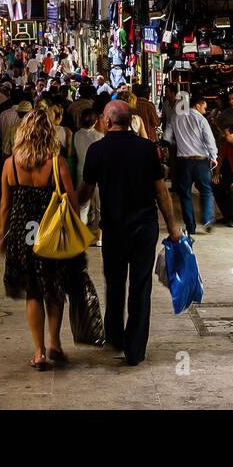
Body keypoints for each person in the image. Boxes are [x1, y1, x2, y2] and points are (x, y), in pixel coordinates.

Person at [77, 100, 182, 366]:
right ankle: (135, 348)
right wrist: (171, 226)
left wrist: (68, 212)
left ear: (109, 121)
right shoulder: (147, 149)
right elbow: (161, 191)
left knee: (114, 283)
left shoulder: (96, 150)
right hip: (144, 228)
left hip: (113, 228)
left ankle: (114, 336)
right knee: (140, 286)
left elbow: (86, 193)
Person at [0, 107, 81, 370]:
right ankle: (55, 343)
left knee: (32, 292)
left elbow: (4, 204)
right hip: (51, 232)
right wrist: (75, 227)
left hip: (23, 233)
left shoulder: (11, 163)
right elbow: (71, 197)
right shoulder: (57, 162)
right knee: (54, 289)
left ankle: (38, 351)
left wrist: (2, 233)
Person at [163, 92, 219, 235]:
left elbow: (167, 138)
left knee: (185, 194)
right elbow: (209, 140)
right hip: (201, 161)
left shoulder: (175, 118)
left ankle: (191, 226)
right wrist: (214, 156)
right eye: (204, 107)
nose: (205, 110)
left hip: (183, 162)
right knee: (206, 191)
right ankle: (207, 219)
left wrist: (179, 143)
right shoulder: (200, 119)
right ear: (196, 104)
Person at [72, 108, 104, 236]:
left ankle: (80, 233)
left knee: (83, 204)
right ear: (95, 121)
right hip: (98, 173)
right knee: (99, 206)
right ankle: (99, 234)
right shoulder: (99, 136)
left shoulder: (76, 134)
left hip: (81, 171)